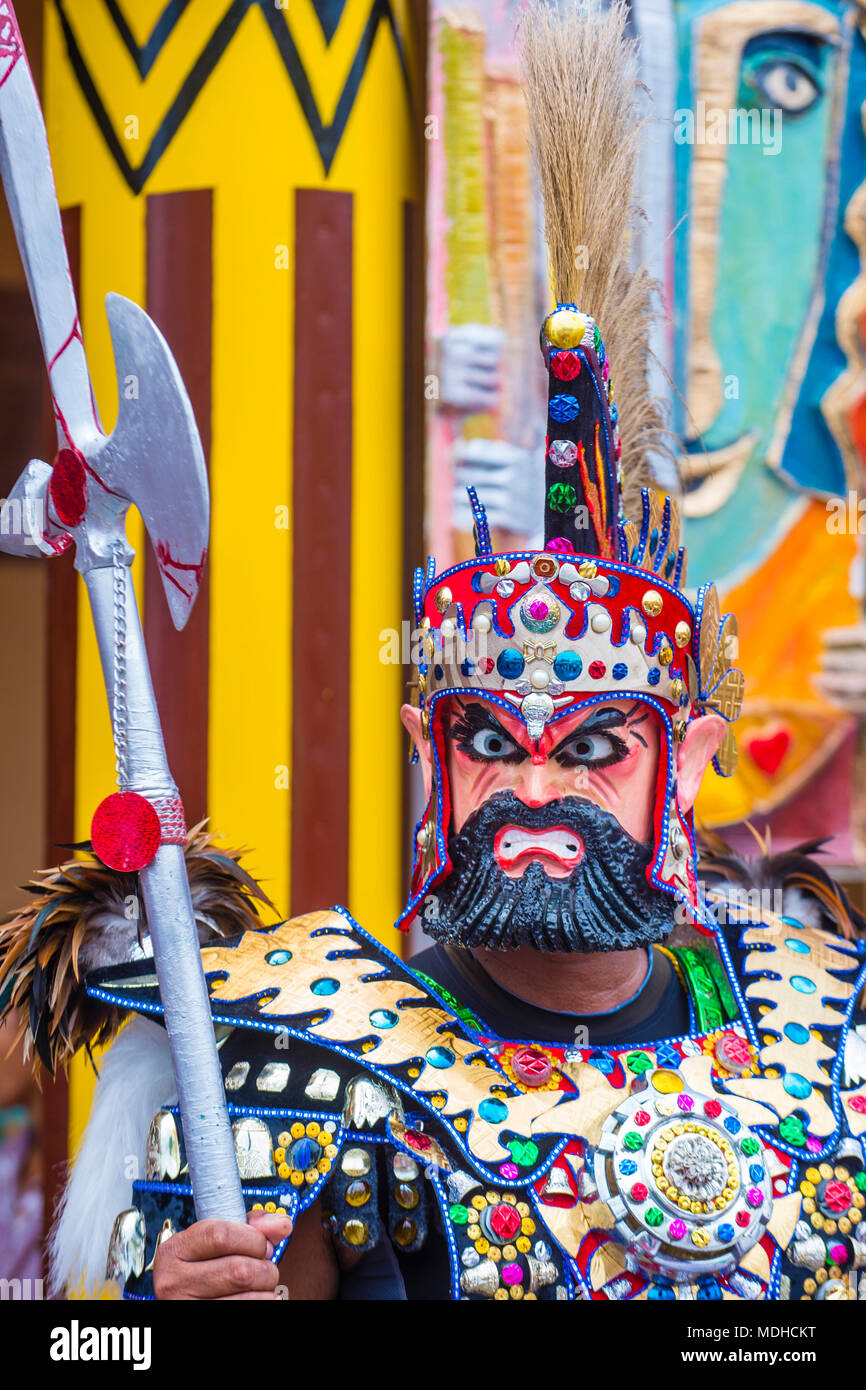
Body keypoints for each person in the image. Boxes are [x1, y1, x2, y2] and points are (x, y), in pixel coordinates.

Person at [2, 0, 866, 1304]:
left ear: (684, 757)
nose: (530, 794)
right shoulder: (313, 1054)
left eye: (589, 748)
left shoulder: (821, 1026)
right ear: (428, 749)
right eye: (485, 741)